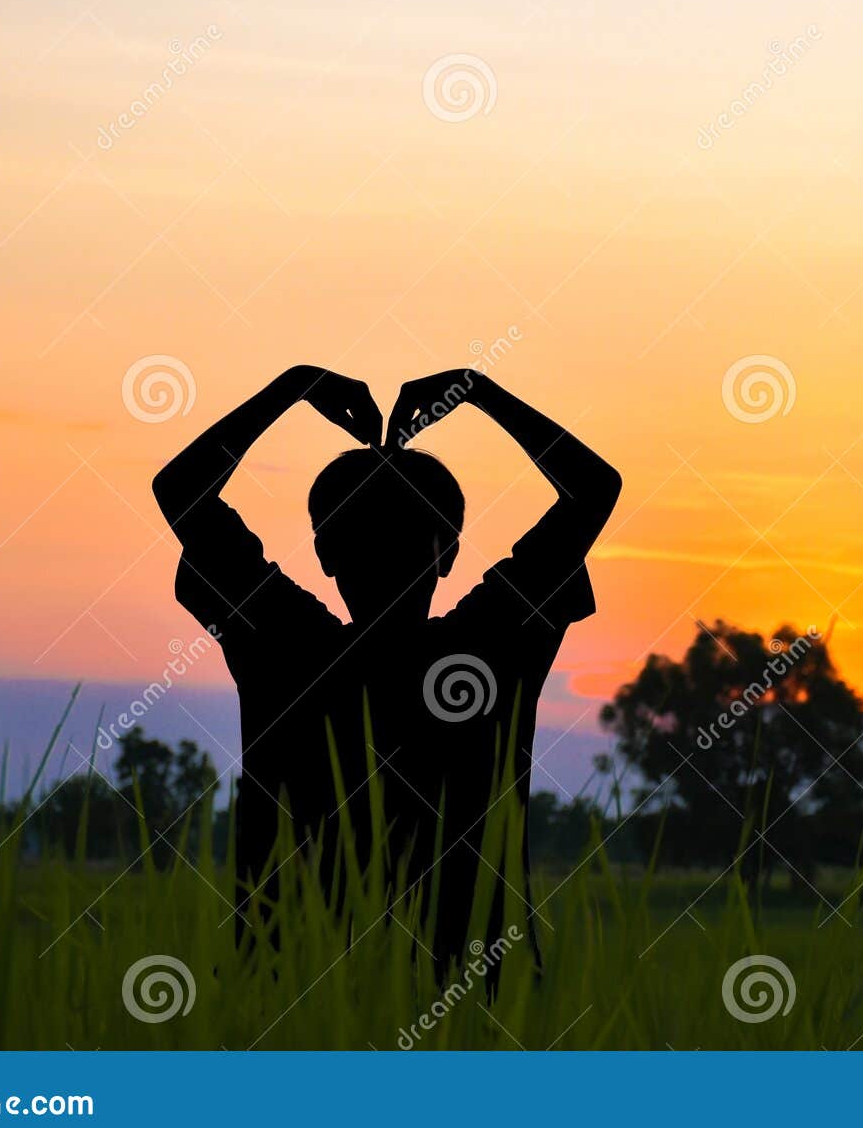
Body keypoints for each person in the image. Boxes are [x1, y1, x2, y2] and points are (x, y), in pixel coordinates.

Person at [152, 365, 620, 969]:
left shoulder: (285, 644)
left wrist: (292, 388)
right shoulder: (492, 643)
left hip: (285, 996)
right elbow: (592, 491)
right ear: (447, 552)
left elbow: (182, 492)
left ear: (324, 553)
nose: (380, 550)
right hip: (476, 1002)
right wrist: (476, 390)